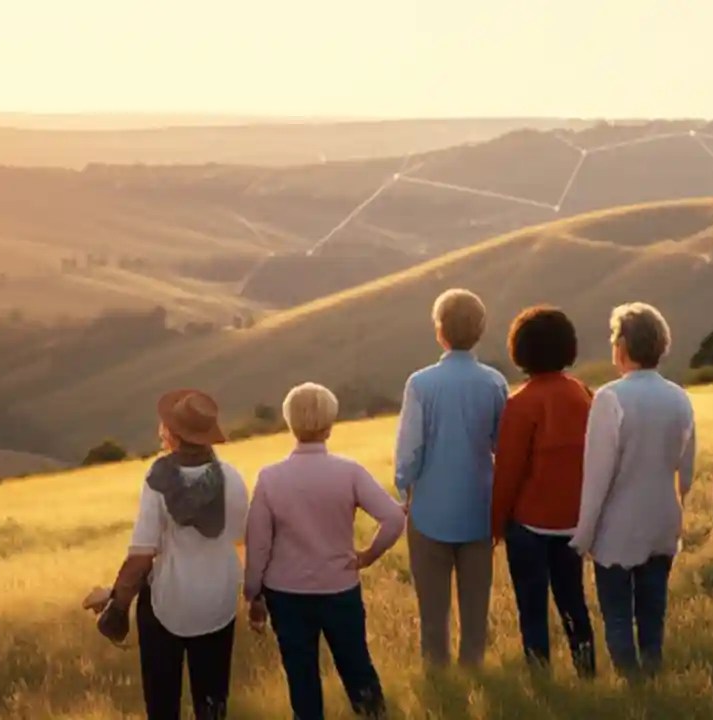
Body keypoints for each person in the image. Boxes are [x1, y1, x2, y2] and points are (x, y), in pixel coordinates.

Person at [84, 389, 249, 720]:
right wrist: (254, 596)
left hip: (166, 605)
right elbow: (243, 541)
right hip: (218, 601)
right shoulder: (231, 476)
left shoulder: (157, 478)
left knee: (162, 705)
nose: (160, 430)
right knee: (213, 703)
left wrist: (117, 603)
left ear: (174, 434)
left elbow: (142, 556)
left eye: (165, 426)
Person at [244, 383, 405, 719]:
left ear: (290, 424)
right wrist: (368, 556)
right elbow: (392, 518)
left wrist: (252, 594)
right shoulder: (349, 471)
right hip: (339, 588)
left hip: (285, 594)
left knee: (301, 678)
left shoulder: (270, 478)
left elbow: (258, 543)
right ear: (330, 424)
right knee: (357, 668)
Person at [571, 302, 696, 679]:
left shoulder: (610, 398)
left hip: (618, 530)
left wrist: (584, 535)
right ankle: (653, 678)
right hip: (662, 522)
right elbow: (686, 473)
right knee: (652, 612)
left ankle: (632, 687)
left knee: (618, 615)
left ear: (622, 347)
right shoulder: (679, 396)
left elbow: (597, 476)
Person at [395, 288, 509, 668]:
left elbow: (410, 448)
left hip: (429, 510)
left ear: (439, 331)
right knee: (476, 607)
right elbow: (500, 444)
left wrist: (404, 485)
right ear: (480, 330)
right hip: (480, 508)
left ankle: (438, 677)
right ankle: (473, 669)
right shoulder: (494, 382)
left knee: (432, 610)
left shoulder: (420, 383)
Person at [491, 306, 597, 677]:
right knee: (574, 604)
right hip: (574, 523)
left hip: (530, 527)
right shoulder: (585, 394)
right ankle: (587, 674)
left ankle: (541, 678)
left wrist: (496, 524)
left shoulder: (520, 404)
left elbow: (507, 472)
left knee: (532, 609)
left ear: (521, 350)